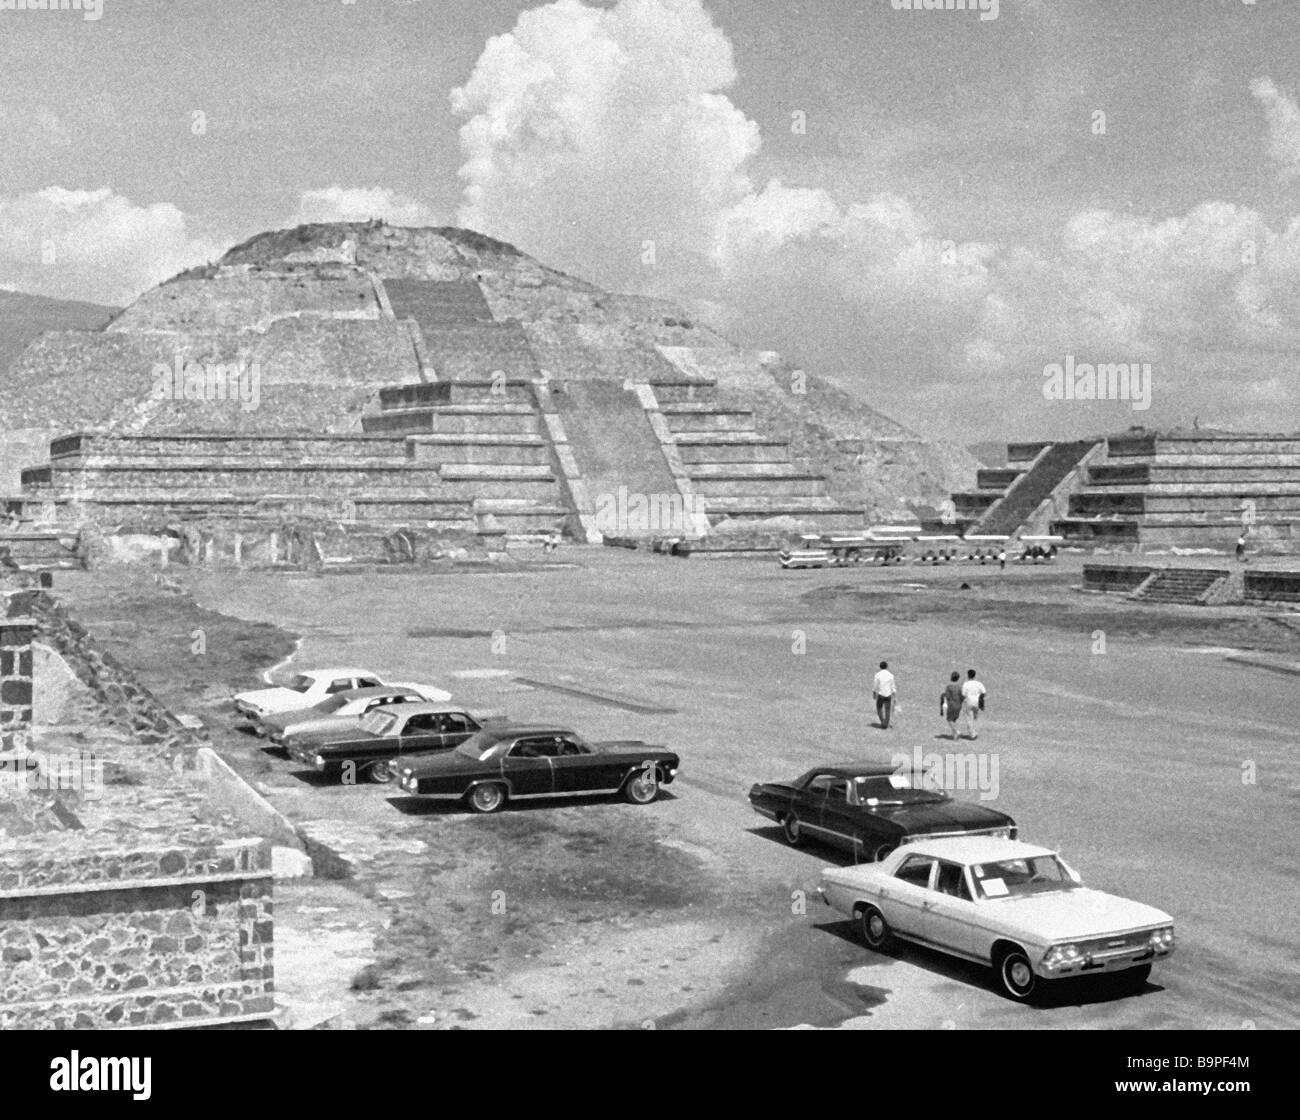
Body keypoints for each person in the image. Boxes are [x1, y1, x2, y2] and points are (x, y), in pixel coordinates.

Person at [961, 668, 986, 740]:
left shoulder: (966, 684)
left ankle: (972, 734)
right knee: (975, 717)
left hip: (969, 702)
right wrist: (981, 700)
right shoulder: (979, 684)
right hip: (977, 703)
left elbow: (963, 694)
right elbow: (984, 692)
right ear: (975, 675)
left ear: (968, 676)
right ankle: (975, 731)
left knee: (969, 718)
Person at [872, 661, 897, 729]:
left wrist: (874, 693)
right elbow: (893, 687)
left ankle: (883, 722)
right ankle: (886, 724)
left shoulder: (877, 675)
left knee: (879, 708)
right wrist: (894, 697)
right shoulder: (891, 675)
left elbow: (875, 685)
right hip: (888, 695)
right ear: (887, 666)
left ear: (880, 667)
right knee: (887, 710)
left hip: (881, 695)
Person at [940, 671, 964, 741]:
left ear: (951, 677)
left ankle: (956, 732)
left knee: (949, 719)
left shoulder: (948, 687)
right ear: (958, 678)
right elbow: (962, 697)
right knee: (954, 719)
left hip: (951, 705)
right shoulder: (959, 687)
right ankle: (954, 735)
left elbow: (947, 696)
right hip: (958, 705)